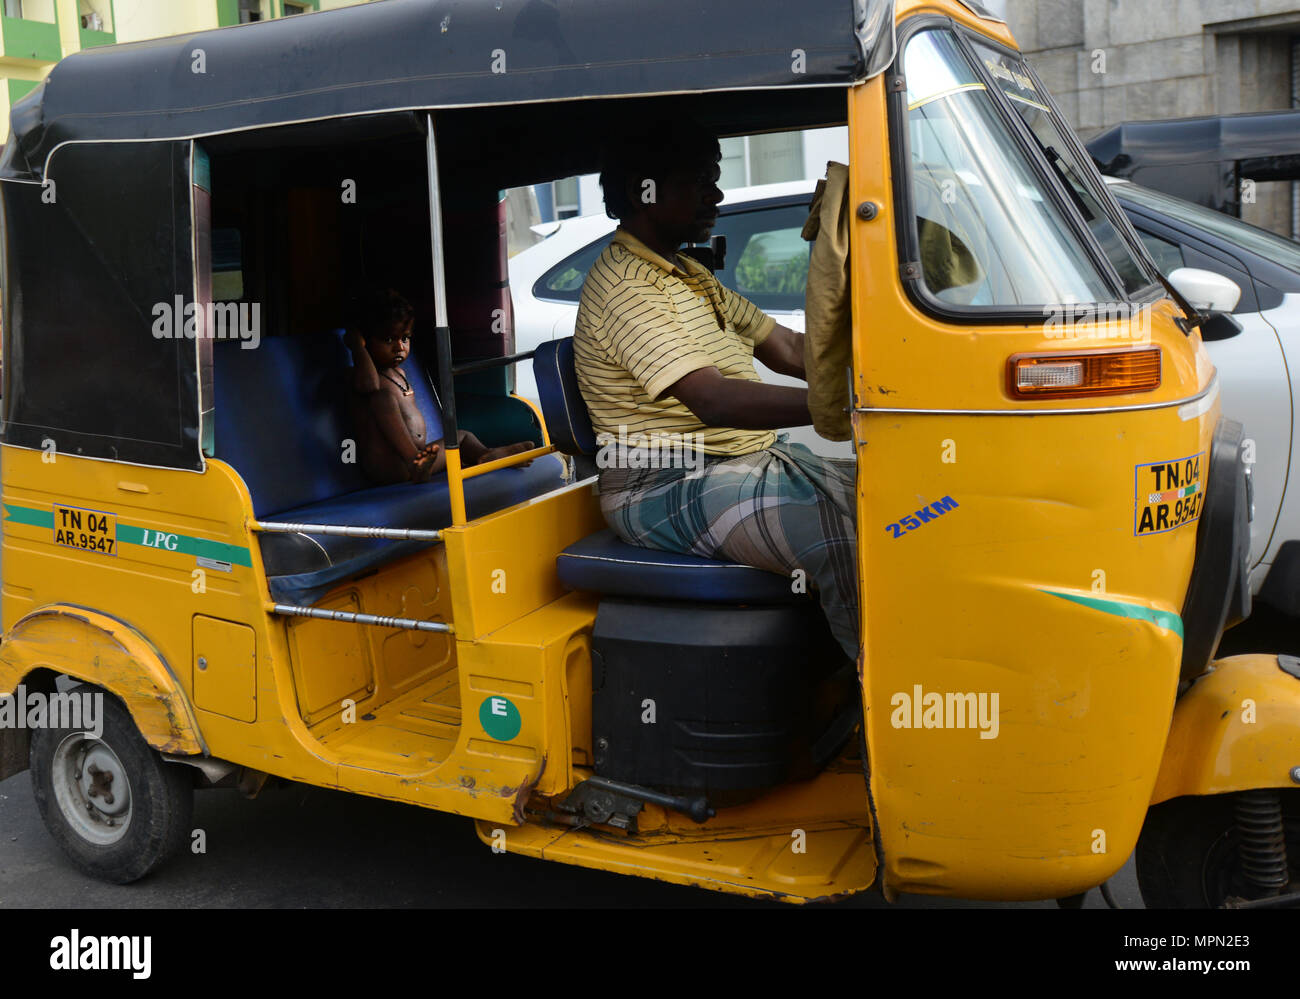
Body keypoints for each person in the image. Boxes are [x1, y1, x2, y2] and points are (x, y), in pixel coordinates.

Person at [572, 120, 860, 661]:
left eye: (715, 178)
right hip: (662, 484)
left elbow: (794, 352)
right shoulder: (625, 287)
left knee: (896, 507)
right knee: (840, 544)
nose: (717, 195)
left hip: (746, 462)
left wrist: (893, 368)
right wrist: (843, 404)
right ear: (645, 191)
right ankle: (888, 711)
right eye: (699, 181)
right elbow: (713, 399)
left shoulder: (691, 276)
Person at [345, 288, 533, 485]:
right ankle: (415, 463)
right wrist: (357, 346)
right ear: (365, 340)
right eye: (389, 340)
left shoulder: (399, 374)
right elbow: (369, 386)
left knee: (462, 436)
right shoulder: (360, 378)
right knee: (382, 397)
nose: (399, 347)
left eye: (405, 338)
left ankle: (486, 456)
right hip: (389, 469)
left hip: (420, 461)